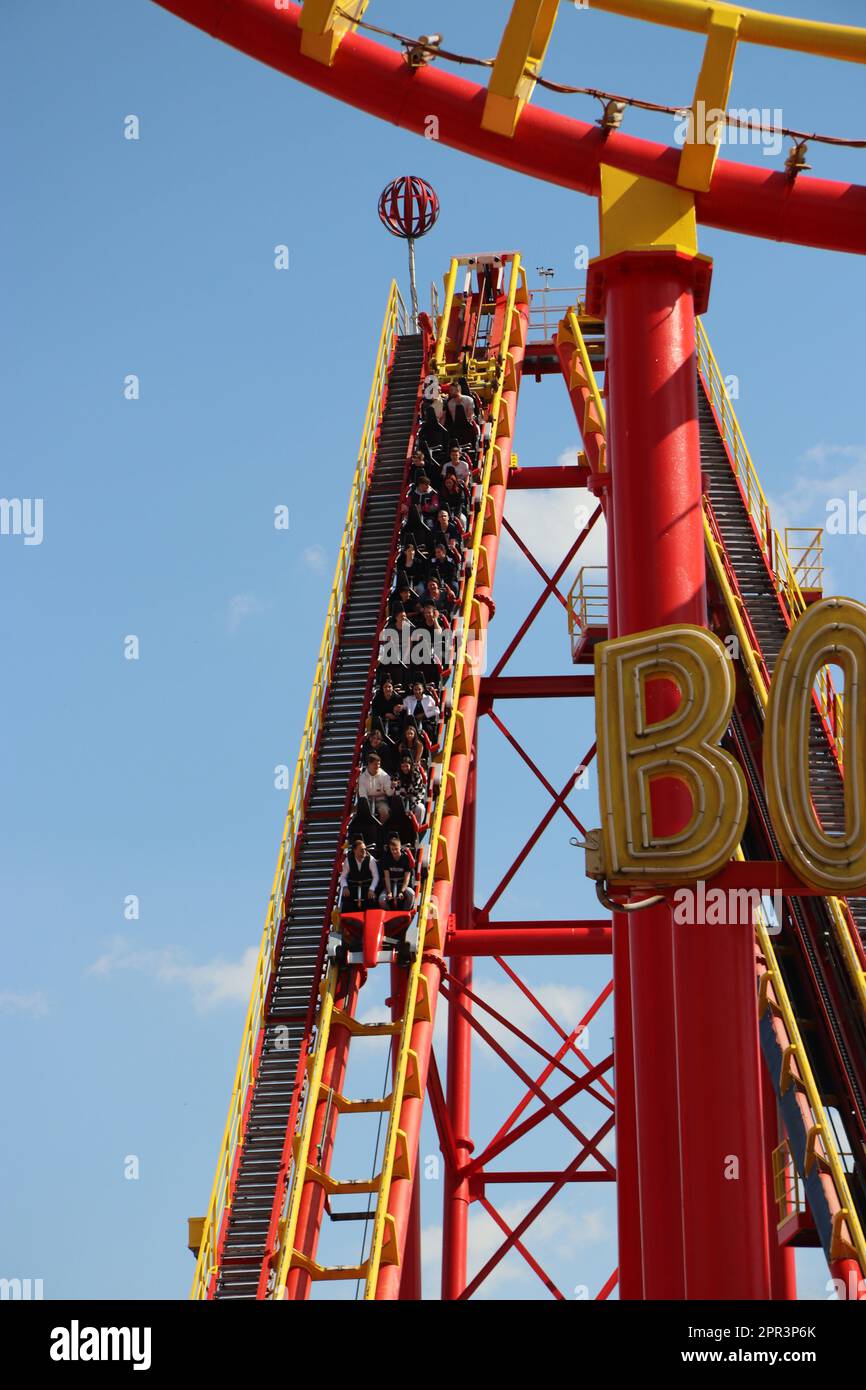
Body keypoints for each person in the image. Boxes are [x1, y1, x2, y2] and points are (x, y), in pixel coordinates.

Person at [338, 836, 379, 912]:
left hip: (367, 887)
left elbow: (376, 876)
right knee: (346, 901)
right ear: (354, 851)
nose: (364, 851)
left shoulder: (370, 859)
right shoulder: (348, 860)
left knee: (372, 900)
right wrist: (345, 887)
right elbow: (343, 877)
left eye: (365, 849)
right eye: (361, 850)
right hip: (353, 887)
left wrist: (372, 889)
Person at [378, 832, 416, 911]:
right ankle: (388, 911)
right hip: (390, 885)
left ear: (400, 848)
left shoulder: (405, 858)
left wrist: (402, 891)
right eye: (392, 849)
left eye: (396, 849)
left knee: (411, 894)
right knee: (381, 899)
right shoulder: (387, 858)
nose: (394, 851)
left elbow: (407, 878)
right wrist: (389, 892)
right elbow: (387, 877)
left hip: (402, 885)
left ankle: (406, 910)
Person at [393, 754, 426, 824]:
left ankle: (417, 825)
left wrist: (410, 807)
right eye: (402, 766)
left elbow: (417, 793)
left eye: (407, 766)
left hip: (415, 799)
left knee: (420, 808)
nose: (405, 768)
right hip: (403, 799)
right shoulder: (397, 776)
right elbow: (397, 792)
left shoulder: (416, 775)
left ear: (410, 766)